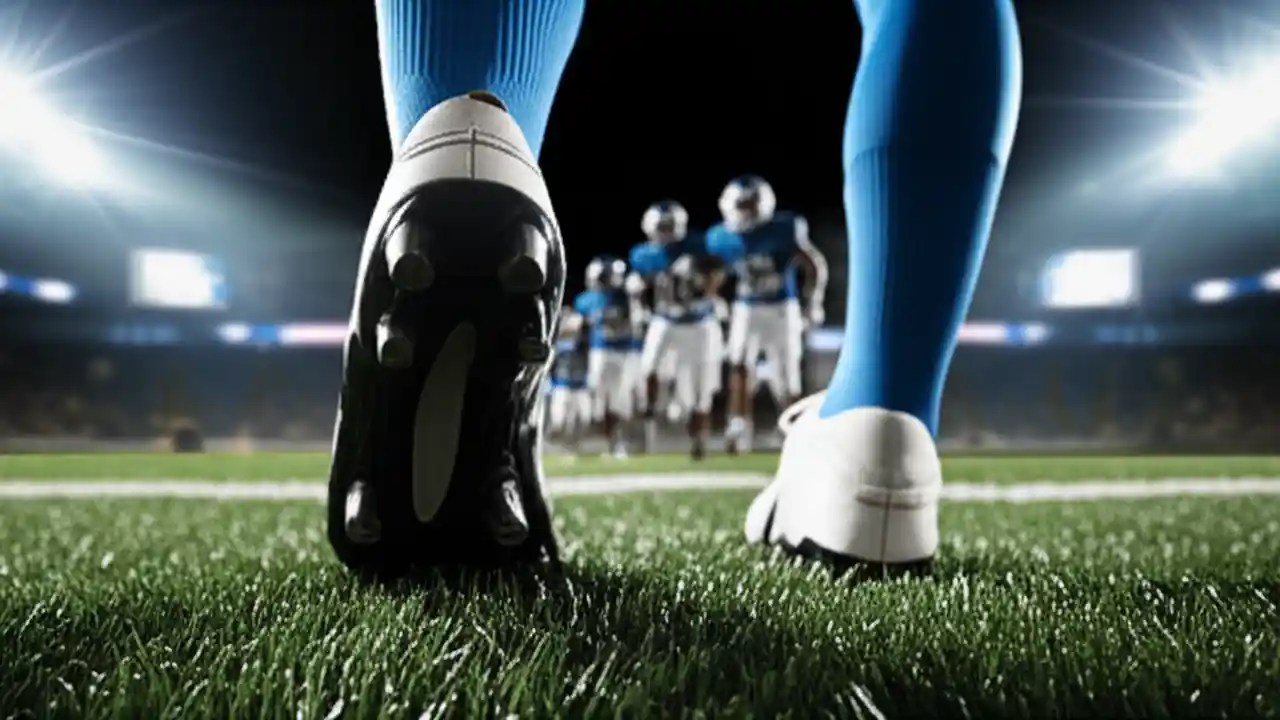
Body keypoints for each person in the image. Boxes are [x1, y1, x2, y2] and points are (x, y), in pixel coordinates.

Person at [327, 0, 1022, 573]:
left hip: (734, 318)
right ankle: (883, 413)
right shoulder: (707, 249)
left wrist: (790, 296)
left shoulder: (743, 239)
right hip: (706, 323)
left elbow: (794, 260)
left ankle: (465, 126)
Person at [705, 176, 828, 454]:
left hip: (782, 307)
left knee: (787, 374)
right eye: (741, 204)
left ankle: (795, 427)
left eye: (750, 204)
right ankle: (739, 423)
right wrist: (714, 297)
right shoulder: (721, 236)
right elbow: (718, 270)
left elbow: (813, 263)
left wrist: (813, 301)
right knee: (738, 364)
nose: (745, 210)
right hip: (746, 306)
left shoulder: (783, 228)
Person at [630, 201, 725, 460]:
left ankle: (699, 440)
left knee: (700, 387)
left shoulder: (698, 245)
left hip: (699, 321)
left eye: (670, 225)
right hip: (665, 319)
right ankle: (650, 413)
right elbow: (641, 287)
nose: (666, 231)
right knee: (648, 368)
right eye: (661, 226)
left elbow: (718, 273)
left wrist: (705, 282)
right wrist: (639, 306)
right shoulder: (643, 254)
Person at [574, 256, 642, 459]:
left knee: (620, 398)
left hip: (623, 352)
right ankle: (607, 440)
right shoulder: (586, 299)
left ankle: (619, 440)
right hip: (600, 351)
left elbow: (636, 321)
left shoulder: (626, 295)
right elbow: (580, 329)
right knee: (599, 395)